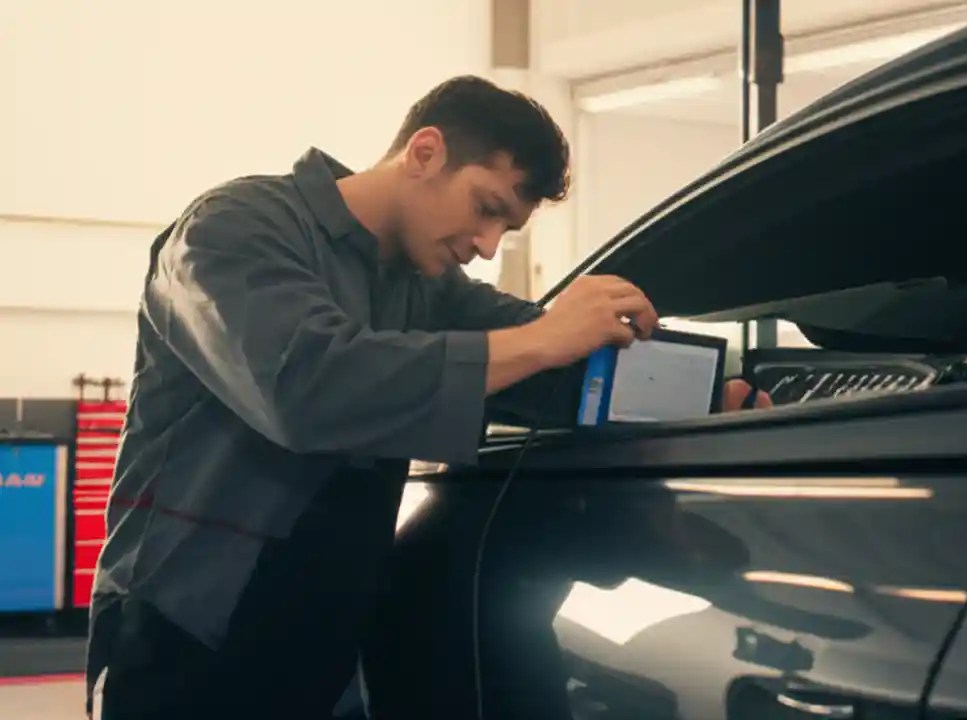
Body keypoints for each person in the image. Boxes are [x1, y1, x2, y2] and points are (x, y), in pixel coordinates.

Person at [86, 75, 769, 719]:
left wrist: (711, 406)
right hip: (186, 631)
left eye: (507, 230)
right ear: (425, 151)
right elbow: (306, 386)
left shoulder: (424, 288)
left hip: (323, 641)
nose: (486, 245)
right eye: (486, 209)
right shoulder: (234, 229)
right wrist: (546, 334)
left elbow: (550, 374)